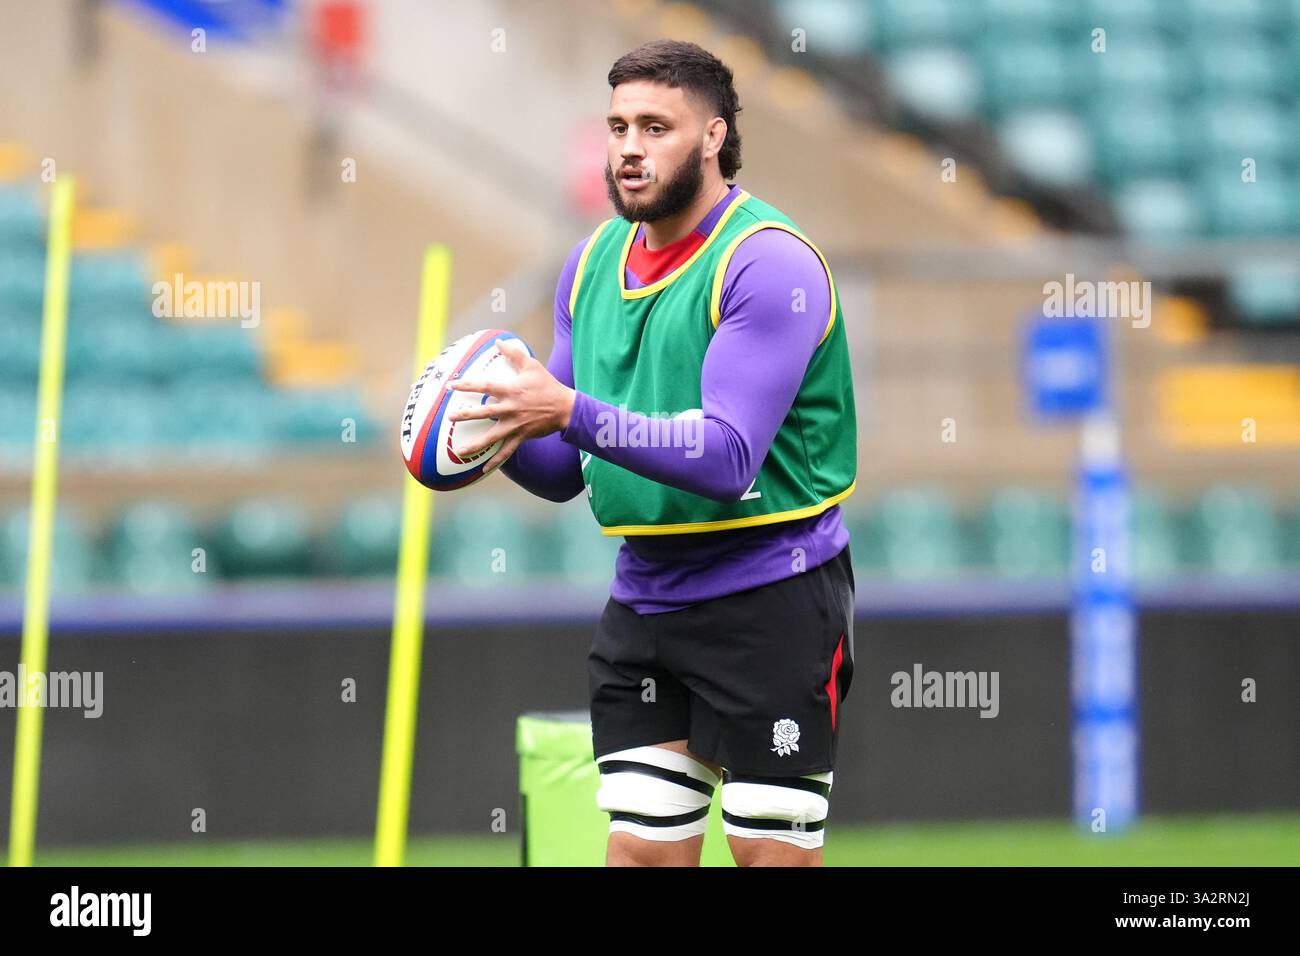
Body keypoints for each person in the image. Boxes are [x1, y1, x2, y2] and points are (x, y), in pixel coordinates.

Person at [447, 38, 857, 867]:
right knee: (641, 853)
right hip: (646, 599)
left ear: (712, 137)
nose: (630, 149)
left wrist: (565, 408)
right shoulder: (593, 261)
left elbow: (727, 457)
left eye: (656, 127)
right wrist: (487, 435)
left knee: (767, 856)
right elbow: (564, 469)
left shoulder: (766, 262)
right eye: (618, 126)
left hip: (771, 595)